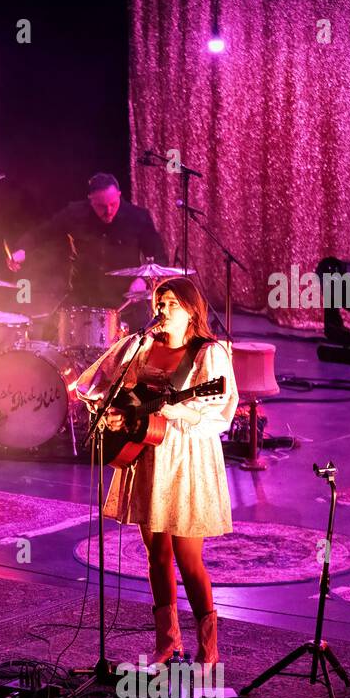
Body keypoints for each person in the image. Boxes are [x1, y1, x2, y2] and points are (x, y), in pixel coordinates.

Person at [75, 276, 236, 667]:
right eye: (158, 303)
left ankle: (209, 650)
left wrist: (171, 409)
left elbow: (219, 412)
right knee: (156, 555)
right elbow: (90, 384)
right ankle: (168, 644)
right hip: (145, 453)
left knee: (187, 555)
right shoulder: (139, 345)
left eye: (170, 305)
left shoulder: (208, 355)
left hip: (186, 457)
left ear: (191, 311)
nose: (161, 311)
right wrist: (110, 412)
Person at [8, 173, 167, 311]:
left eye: (113, 204)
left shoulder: (138, 217)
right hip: (83, 298)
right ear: (91, 200)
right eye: (101, 206)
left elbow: (160, 258)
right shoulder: (75, 213)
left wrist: (143, 281)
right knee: (48, 337)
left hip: (125, 303)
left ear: (119, 194)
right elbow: (43, 232)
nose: (108, 211)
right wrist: (22, 249)